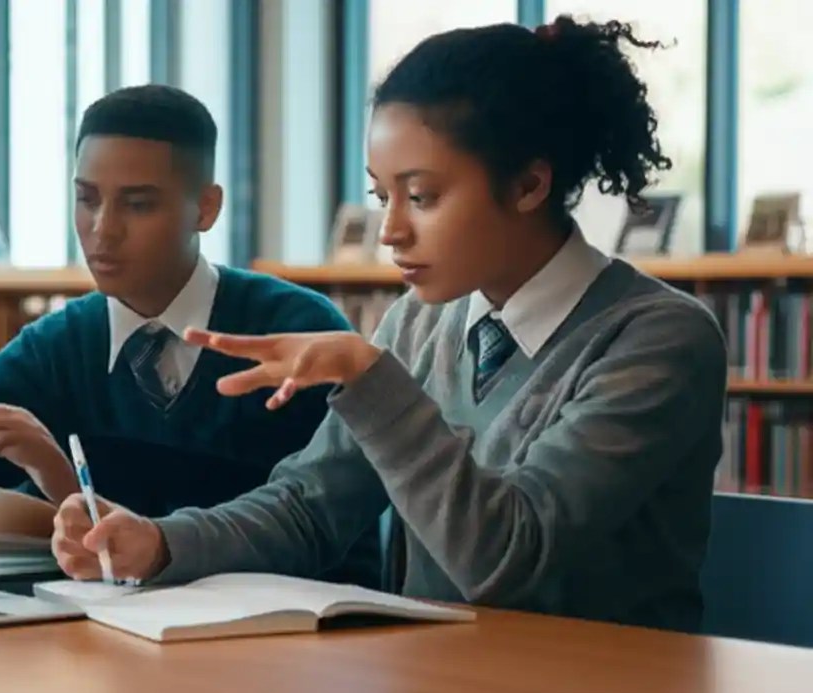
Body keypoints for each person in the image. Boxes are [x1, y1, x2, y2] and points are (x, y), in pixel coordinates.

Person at [50, 17, 729, 633]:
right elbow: (309, 508)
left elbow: (508, 560)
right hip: (439, 685)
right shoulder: (421, 322)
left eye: (423, 197)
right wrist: (159, 542)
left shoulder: (659, 339)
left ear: (528, 186)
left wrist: (371, 378)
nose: (391, 230)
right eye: (382, 196)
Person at [0, 84, 352, 518]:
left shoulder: (300, 331)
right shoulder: (55, 349)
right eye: (87, 199)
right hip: (86, 606)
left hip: (276, 604)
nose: (103, 229)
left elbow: (336, 535)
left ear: (205, 208)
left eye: (138, 205)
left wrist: (66, 485)